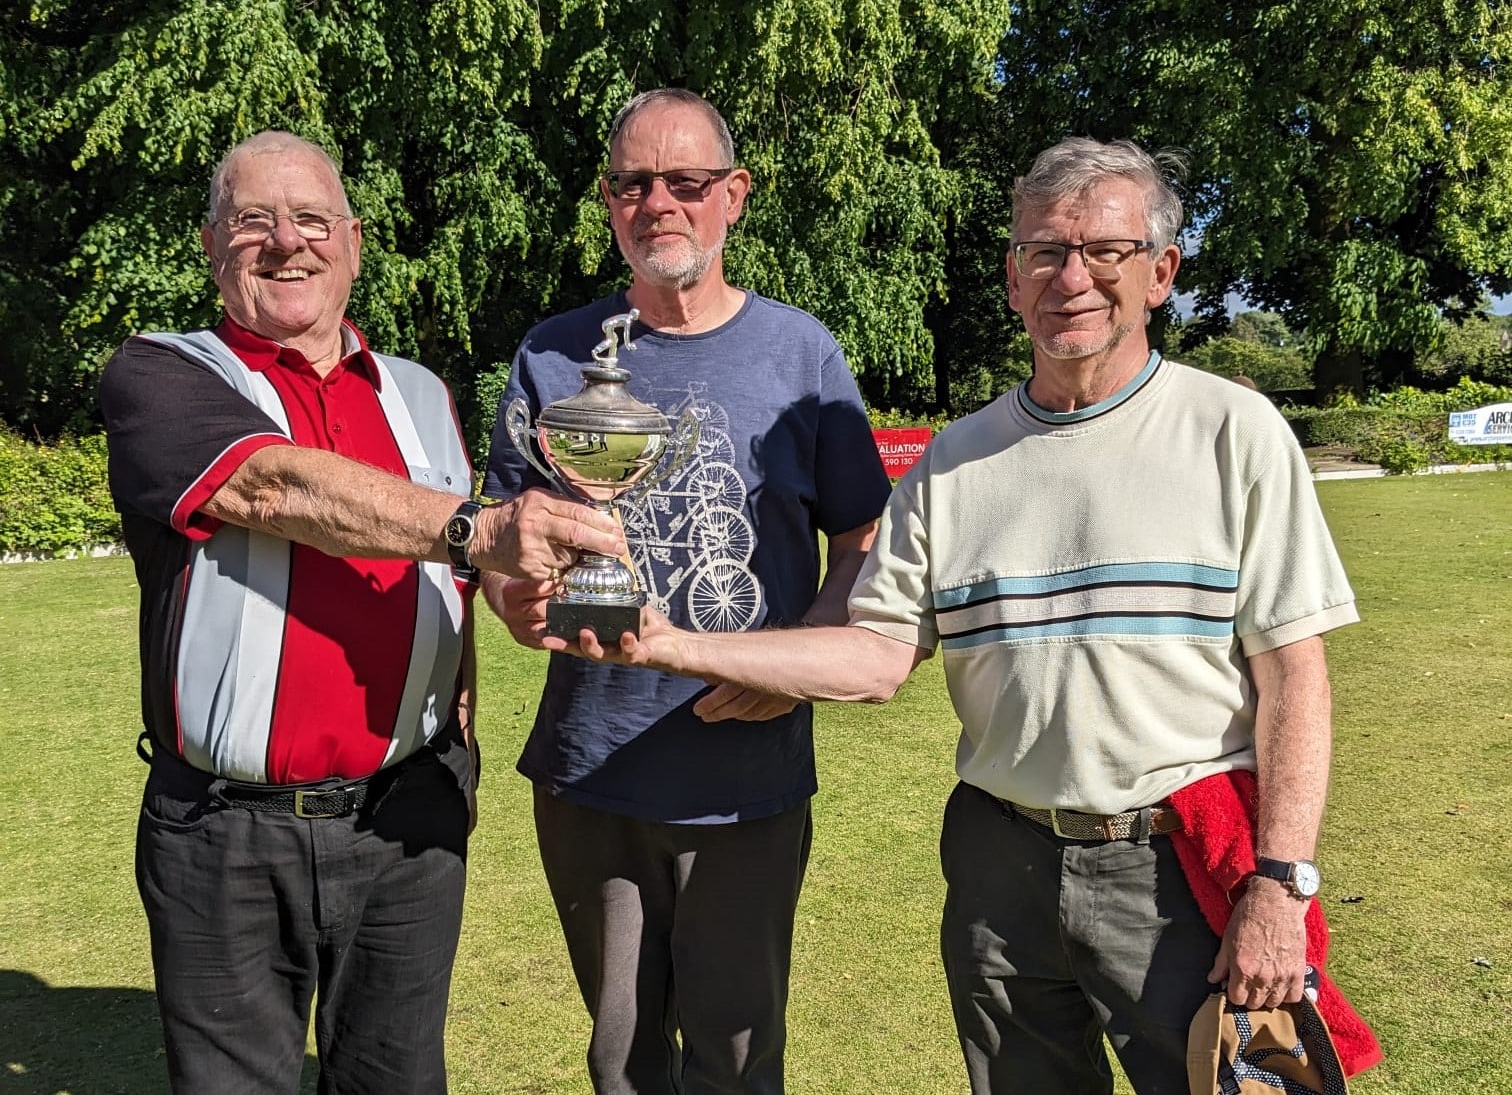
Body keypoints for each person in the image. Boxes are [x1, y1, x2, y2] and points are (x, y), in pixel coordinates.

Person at [557, 138, 1367, 1094]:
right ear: (1013, 277)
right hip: (1000, 868)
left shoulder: (1235, 431)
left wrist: (1280, 883)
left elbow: (1294, 678)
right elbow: (873, 657)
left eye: (1105, 252)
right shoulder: (954, 462)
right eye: (1043, 252)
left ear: (1160, 273)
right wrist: (667, 641)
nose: (1073, 278)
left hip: (1173, 871)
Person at [99, 130, 624, 1094]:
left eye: (311, 219)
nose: (285, 242)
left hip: (406, 818)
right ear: (213, 245)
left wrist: (494, 629)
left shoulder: (421, 392)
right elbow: (273, 489)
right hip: (226, 832)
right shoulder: (164, 372)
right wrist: (484, 528)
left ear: (354, 240)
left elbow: (452, 573)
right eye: (253, 220)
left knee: (400, 1080)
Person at [483, 88, 892, 1095]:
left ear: (734, 196)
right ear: (611, 201)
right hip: (592, 771)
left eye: (687, 181)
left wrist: (793, 666)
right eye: (633, 182)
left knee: (739, 1055)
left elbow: (863, 537)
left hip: (744, 766)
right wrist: (516, 602)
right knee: (621, 1058)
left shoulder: (802, 353)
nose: (658, 201)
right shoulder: (552, 350)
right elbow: (504, 540)